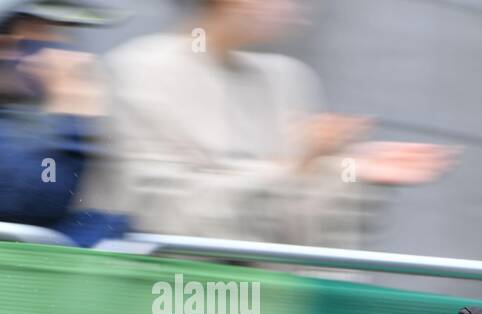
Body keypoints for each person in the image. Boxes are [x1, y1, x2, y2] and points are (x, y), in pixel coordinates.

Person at [83, 0, 457, 246]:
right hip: (167, 302)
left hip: (268, 310)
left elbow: (300, 231)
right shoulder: (140, 70)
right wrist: (297, 165)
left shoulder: (287, 78)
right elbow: (167, 219)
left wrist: (350, 174)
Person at [0, 0, 129, 245]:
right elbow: (32, 200)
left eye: (64, 34)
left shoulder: (23, 116)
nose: (61, 52)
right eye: (41, 32)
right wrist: (72, 109)